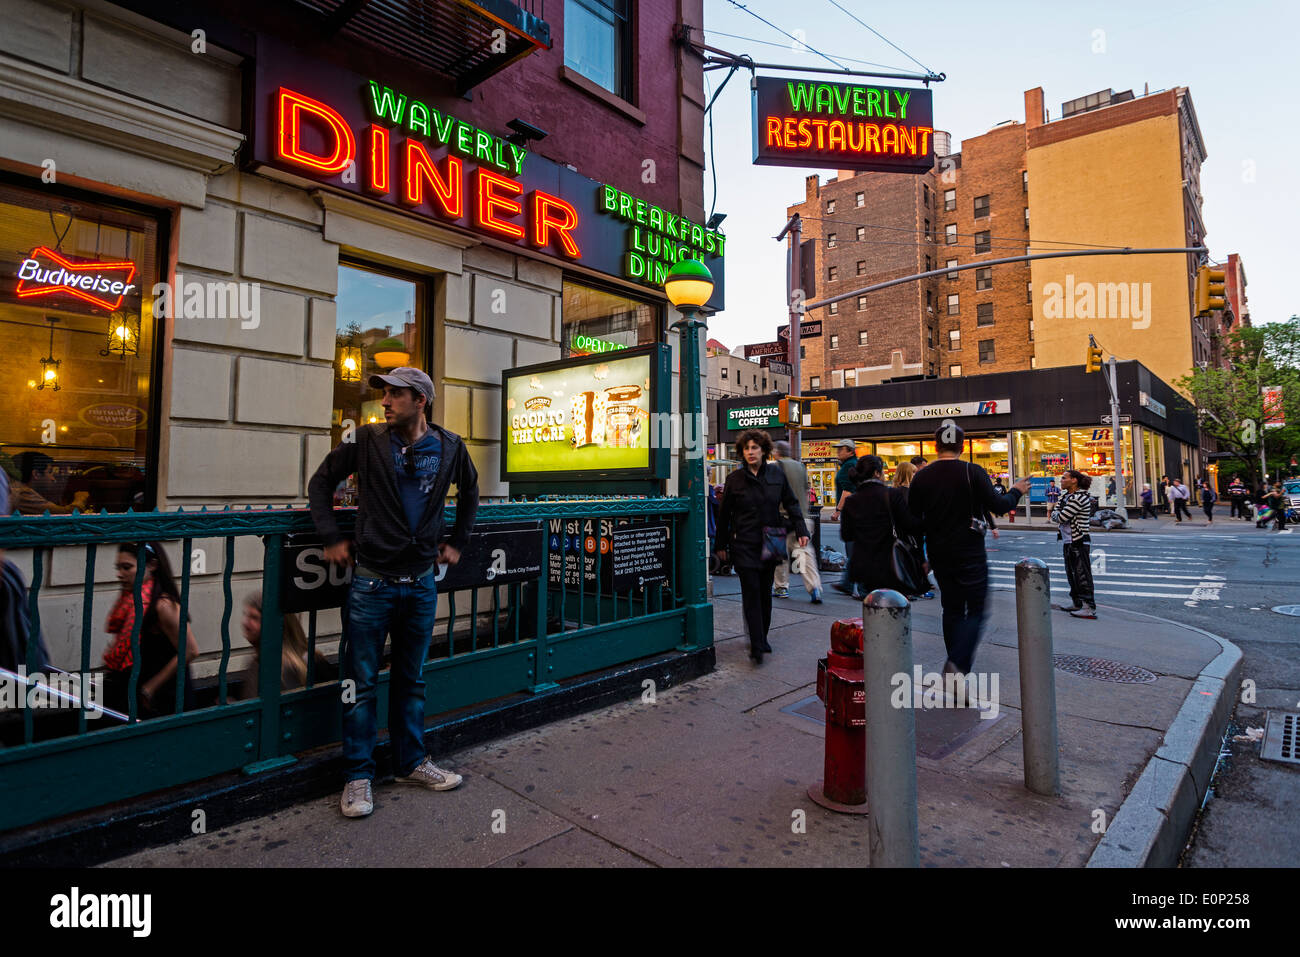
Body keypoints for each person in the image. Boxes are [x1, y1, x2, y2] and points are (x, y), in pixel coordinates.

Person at [308, 366, 479, 819]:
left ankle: (410, 762)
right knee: (360, 684)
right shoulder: (364, 441)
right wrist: (330, 536)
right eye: (383, 394)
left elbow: (472, 492)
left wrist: (458, 542)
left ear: (421, 400)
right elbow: (321, 483)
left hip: (421, 582)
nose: (384, 402)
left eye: (395, 394)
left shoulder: (450, 446)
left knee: (412, 680)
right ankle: (358, 777)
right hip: (371, 582)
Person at [908, 424, 1029, 677]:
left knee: (951, 608)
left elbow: (913, 522)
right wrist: (1016, 491)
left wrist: (921, 556)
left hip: (939, 554)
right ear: (962, 447)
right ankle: (958, 664)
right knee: (975, 609)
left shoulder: (922, 476)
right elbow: (999, 505)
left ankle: (955, 665)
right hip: (970, 551)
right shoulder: (972, 471)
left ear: (935, 446)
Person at [714, 429, 806, 664]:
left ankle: (762, 636)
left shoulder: (777, 474)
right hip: (744, 541)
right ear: (742, 453)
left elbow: (792, 503)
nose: (750, 452)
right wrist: (721, 544)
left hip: (772, 538)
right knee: (751, 592)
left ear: (763, 450)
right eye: (746, 448)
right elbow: (724, 515)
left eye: (754, 447)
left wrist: (801, 529)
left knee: (765, 592)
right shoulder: (735, 479)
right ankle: (756, 644)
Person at [102, 542, 200, 719]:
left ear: (152, 565)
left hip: (164, 699)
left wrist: (150, 688)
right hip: (137, 694)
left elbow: (190, 650)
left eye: (127, 567)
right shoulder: (130, 600)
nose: (119, 574)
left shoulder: (163, 605)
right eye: (118, 567)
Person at [840, 455, 925, 598]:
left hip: (863, 566)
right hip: (889, 563)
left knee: (870, 608)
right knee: (892, 607)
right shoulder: (892, 494)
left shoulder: (851, 501)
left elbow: (846, 535)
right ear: (877, 473)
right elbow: (910, 525)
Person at [236, 592, 333, 699]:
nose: (246, 623)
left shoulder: (304, 664)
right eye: (246, 615)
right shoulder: (257, 662)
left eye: (254, 618)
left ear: (274, 625)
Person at [771, 440, 822, 603]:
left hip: (781, 517)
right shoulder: (801, 467)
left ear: (776, 452)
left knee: (780, 556)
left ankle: (781, 587)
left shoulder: (775, 467)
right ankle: (814, 587)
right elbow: (806, 491)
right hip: (803, 518)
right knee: (805, 554)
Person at [1050, 470, 1097, 619]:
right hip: (1067, 540)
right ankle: (1077, 603)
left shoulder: (1079, 498)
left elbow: (1061, 516)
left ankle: (1088, 607)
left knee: (1082, 575)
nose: (1061, 480)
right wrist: (1057, 514)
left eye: (1064, 478)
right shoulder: (1066, 496)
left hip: (1078, 541)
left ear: (1074, 480)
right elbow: (1055, 513)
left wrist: (1057, 514)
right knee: (1072, 574)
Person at [893, 462, 934, 598]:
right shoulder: (907, 492)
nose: (916, 474)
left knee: (909, 559)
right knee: (915, 559)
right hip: (911, 530)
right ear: (907, 474)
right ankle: (916, 589)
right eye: (914, 472)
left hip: (903, 530)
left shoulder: (896, 491)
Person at [9, 452, 89, 515]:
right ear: (36, 474)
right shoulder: (23, 493)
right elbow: (65, 515)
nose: (53, 478)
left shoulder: (17, 489)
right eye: (50, 472)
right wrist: (80, 499)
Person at [830, 439, 860, 597]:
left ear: (850, 451)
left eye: (841, 449)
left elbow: (847, 491)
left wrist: (837, 511)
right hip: (857, 511)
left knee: (853, 549)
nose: (838, 452)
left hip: (851, 512)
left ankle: (854, 585)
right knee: (853, 549)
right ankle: (847, 584)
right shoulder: (852, 464)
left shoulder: (848, 466)